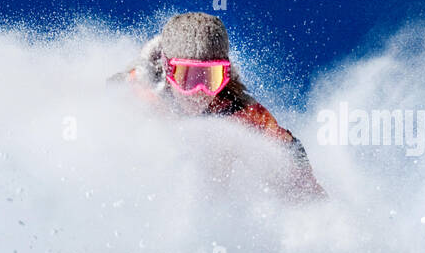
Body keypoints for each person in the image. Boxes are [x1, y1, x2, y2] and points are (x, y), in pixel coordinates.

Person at [109, 12, 326, 200]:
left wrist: (311, 204)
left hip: (212, 203)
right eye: (188, 77)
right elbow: (99, 107)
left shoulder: (237, 110)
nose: (200, 91)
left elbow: (289, 151)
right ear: (168, 70)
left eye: (211, 77)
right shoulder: (141, 88)